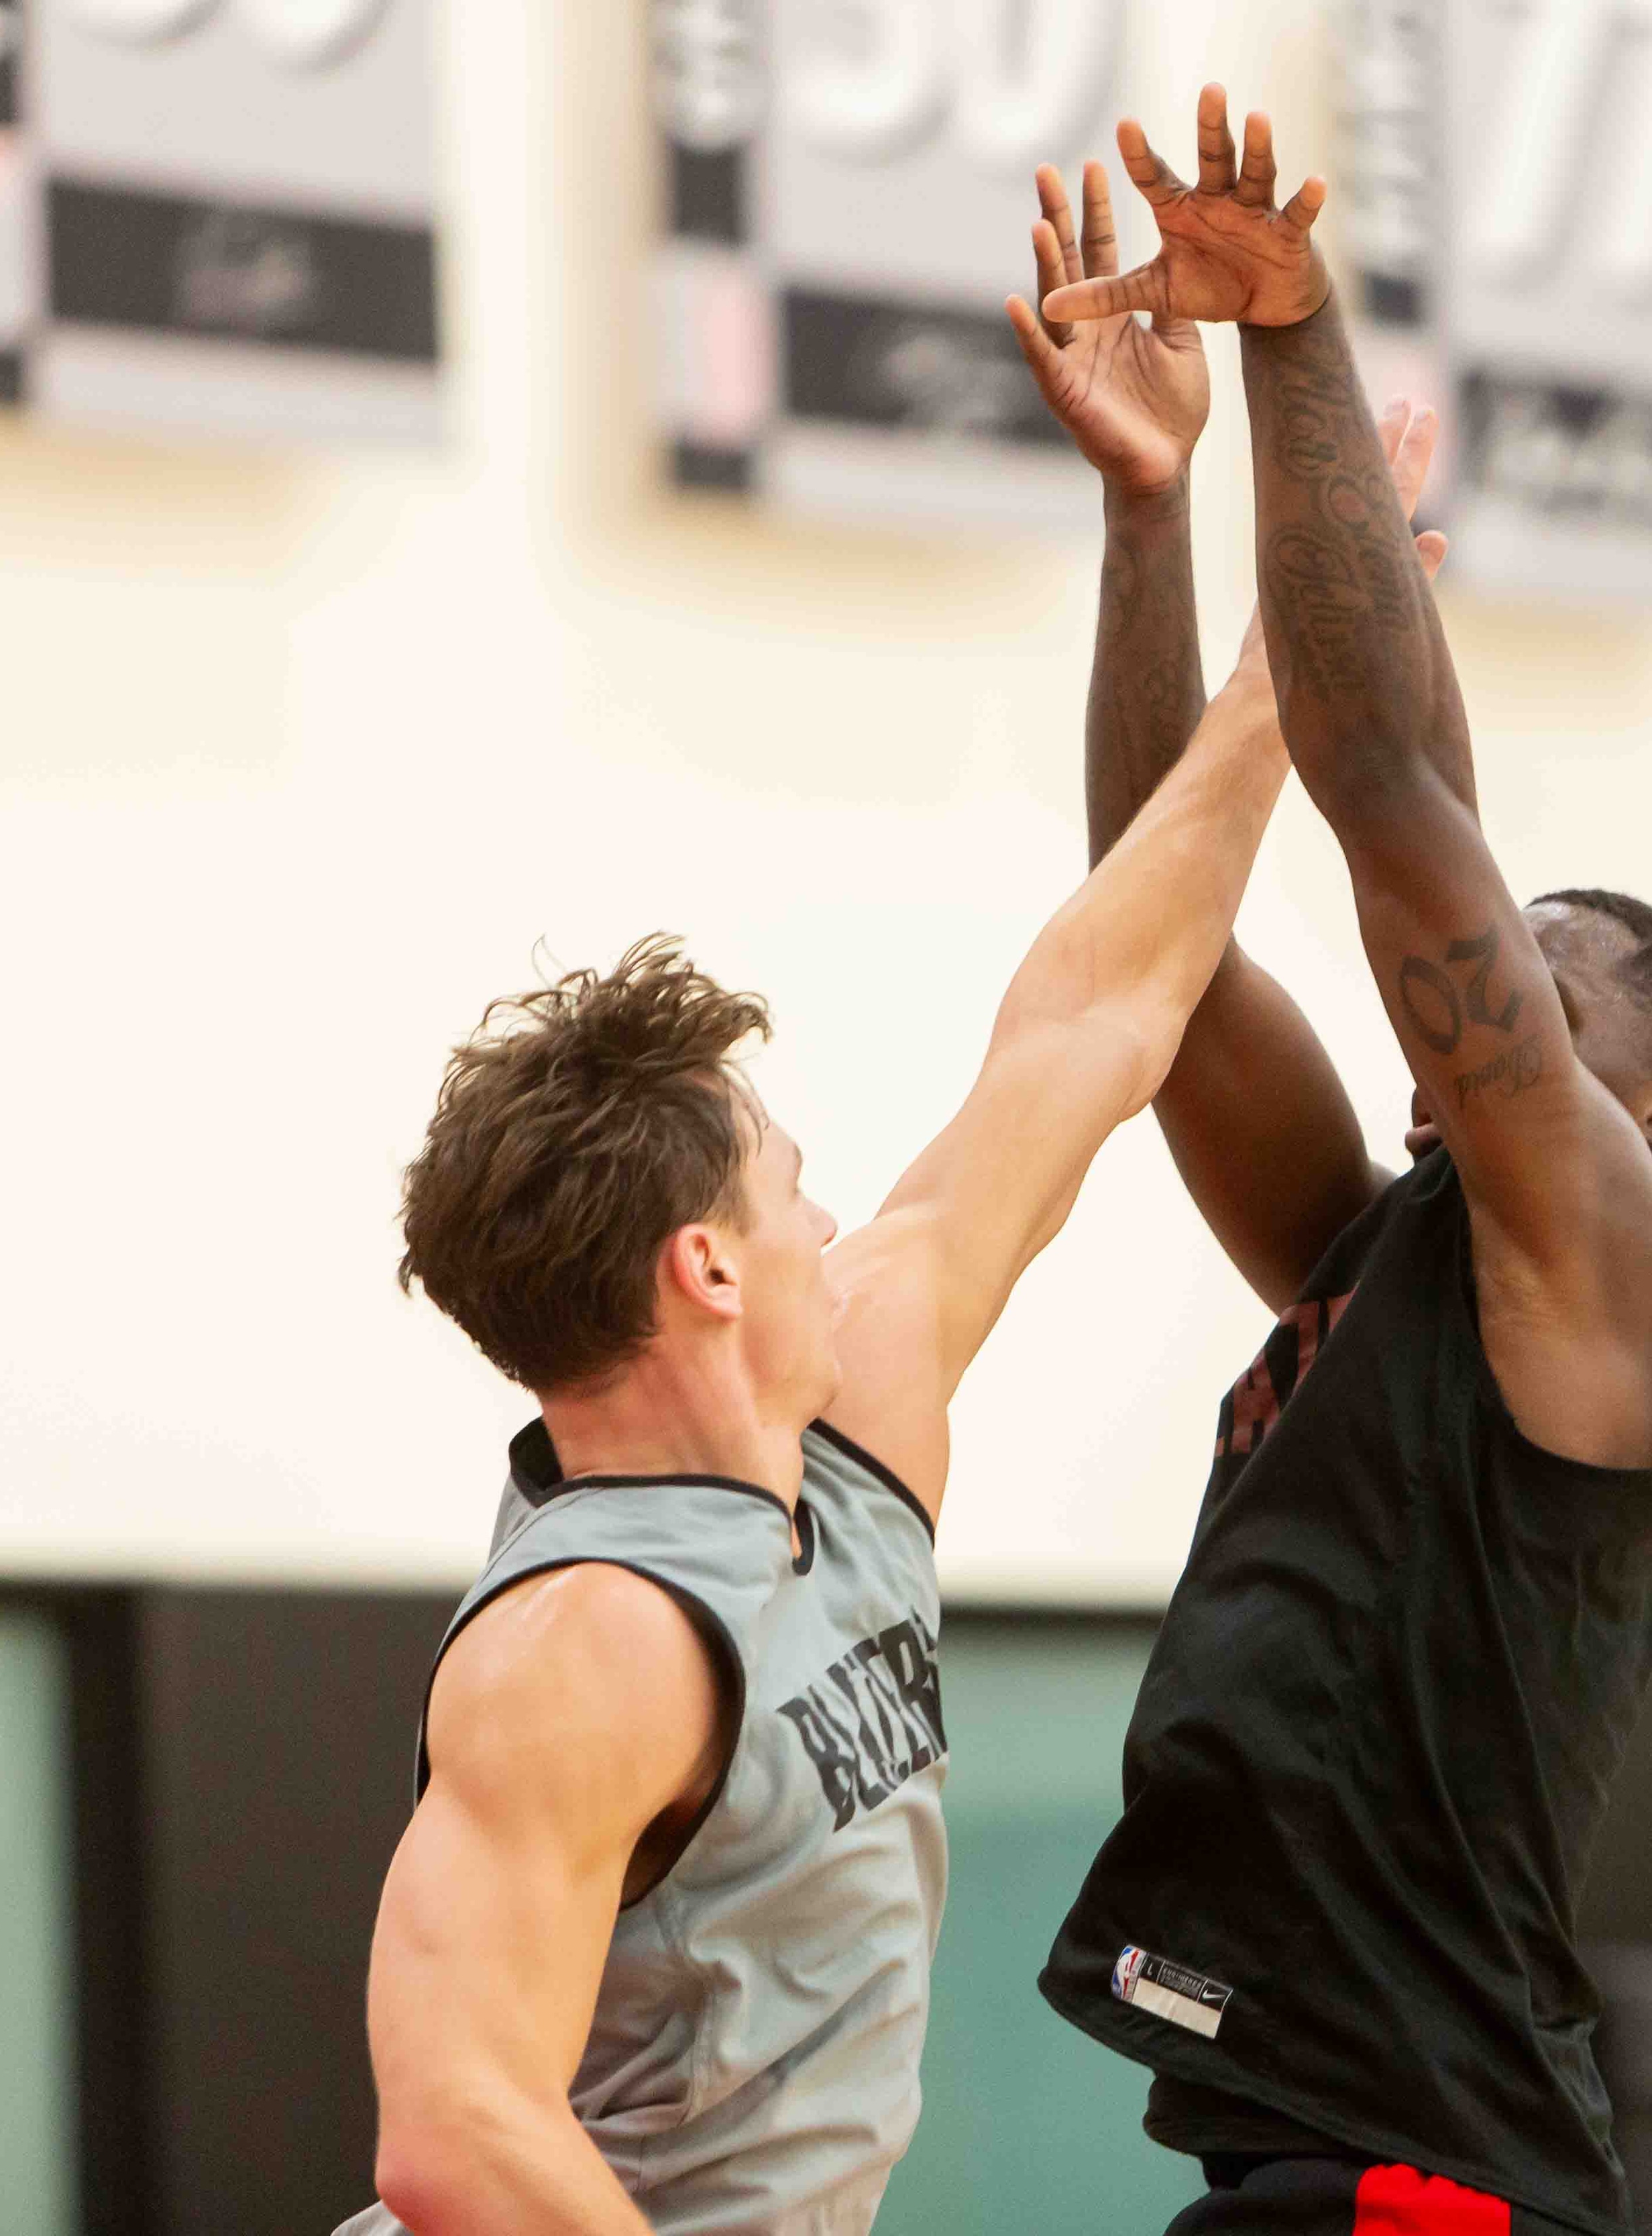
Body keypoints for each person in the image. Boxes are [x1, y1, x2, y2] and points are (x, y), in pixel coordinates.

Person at [336, 335, 1454, 2234]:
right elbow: (455, 2141)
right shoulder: (582, 1647)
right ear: (703, 1268)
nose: (830, 1212)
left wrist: (1261, 646)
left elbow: (1102, 1005)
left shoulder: (855, 1410)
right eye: (788, 1188)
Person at [1022, 93, 1652, 2236]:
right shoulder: (1387, 1250)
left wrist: (1291, 335)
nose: (1477, 998)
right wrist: (1150, 515)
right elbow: (1142, 938)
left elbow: (1379, 778)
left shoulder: (1618, 1273)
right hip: (1316, 2157)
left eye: (1546, 990)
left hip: (1427, 2185)